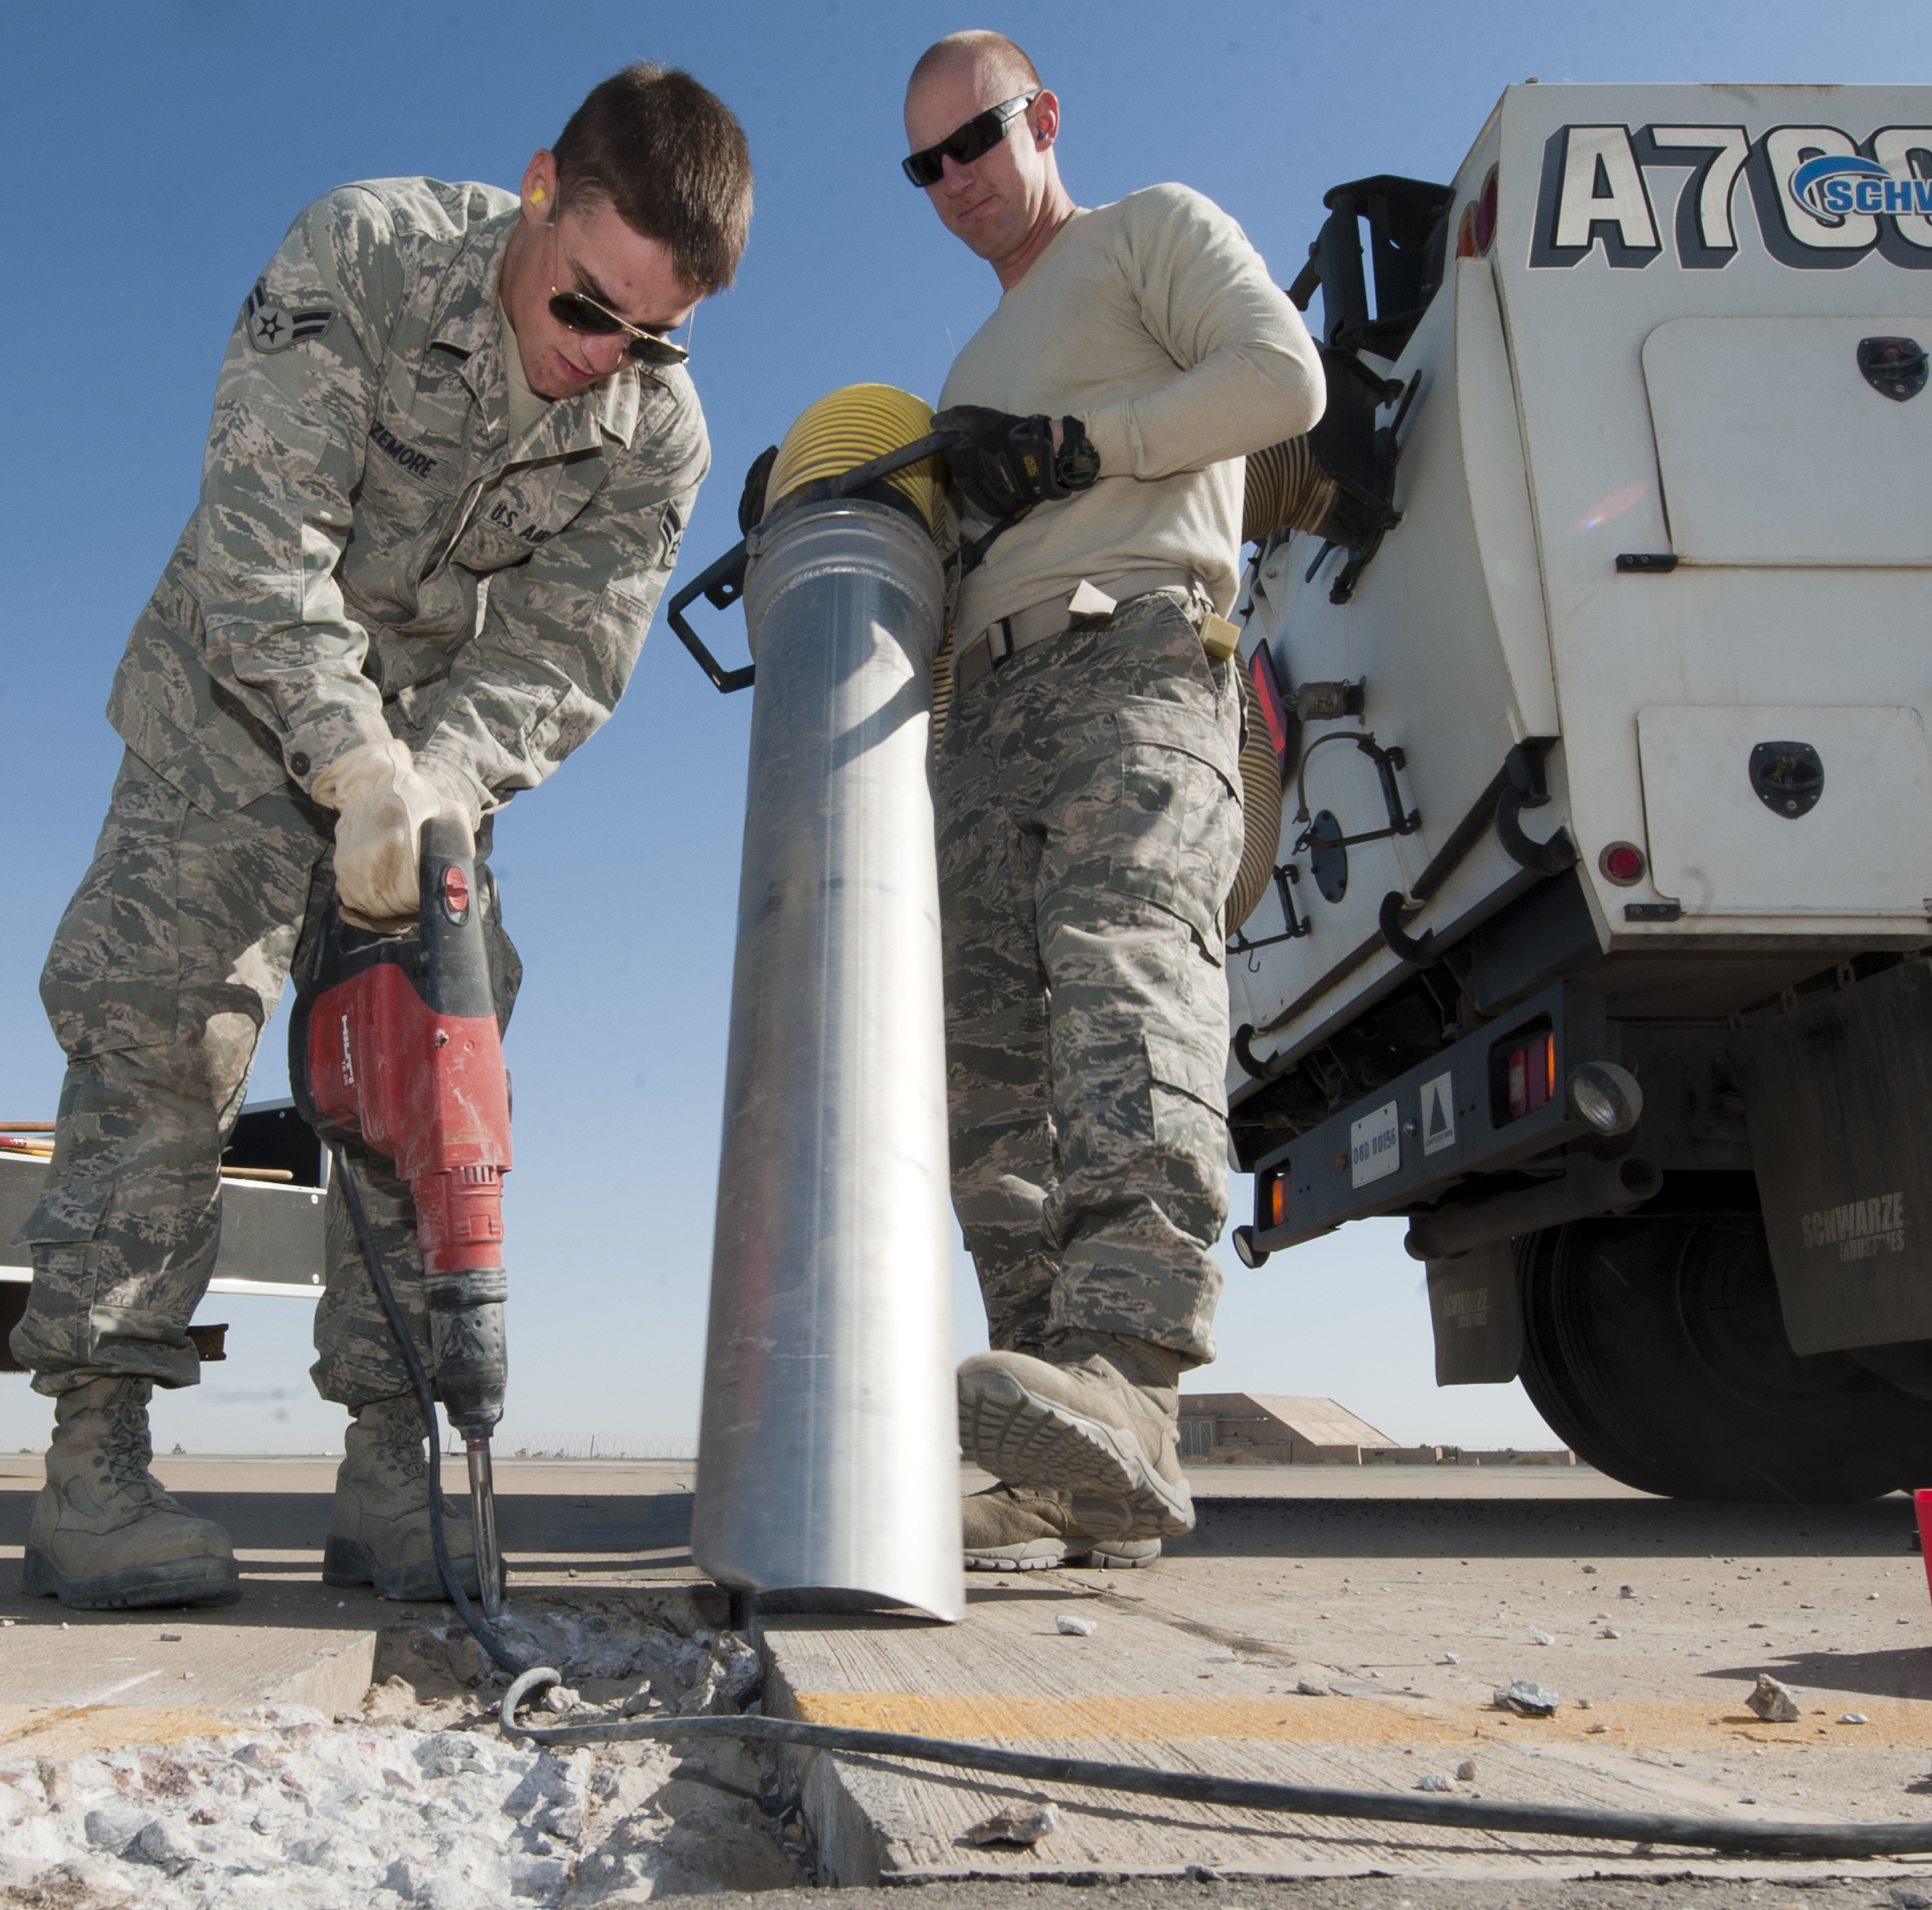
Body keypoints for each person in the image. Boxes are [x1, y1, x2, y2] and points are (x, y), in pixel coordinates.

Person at [10, 65, 753, 1611]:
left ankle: (388, 1475)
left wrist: (434, 786)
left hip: (427, 782)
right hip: (232, 715)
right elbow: (257, 543)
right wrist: (347, 757)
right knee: (158, 1044)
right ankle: (96, 1467)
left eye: (646, 335)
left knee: (428, 1082)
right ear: (542, 187)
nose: (597, 360)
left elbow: (564, 653)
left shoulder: (653, 431)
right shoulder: (365, 254)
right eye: (582, 310)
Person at [900, 30, 1324, 1571]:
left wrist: (1088, 446)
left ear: (1044, 118)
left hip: (1135, 651)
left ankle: (1131, 1386)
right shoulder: (964, 374)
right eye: (925, 164)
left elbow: (1284, 380)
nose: (957, 180)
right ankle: (1058, 1452)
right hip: (985, 710)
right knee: (990, 1073)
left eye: (978, 139)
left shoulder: (1148, 231)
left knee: (1124, 991)